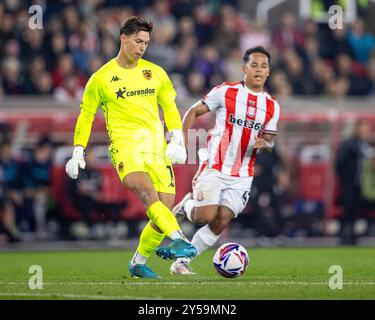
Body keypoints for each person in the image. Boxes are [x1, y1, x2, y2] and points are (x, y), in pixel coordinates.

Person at [65, 16, 197, 279]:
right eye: (138, 41)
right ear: (123, 38)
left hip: (156, 148)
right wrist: (78, 149)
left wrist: (178, 138)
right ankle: (180, 239)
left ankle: (138, 262)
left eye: (146, 43)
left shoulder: (156, 73)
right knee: (147, 192)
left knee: (163, 210)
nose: (142, 47)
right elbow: (86, 115)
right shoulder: (101, 78)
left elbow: (170, 107)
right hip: (125, 148)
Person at [170, 46, 280, 274]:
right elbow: (193, 111)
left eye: (263, 66)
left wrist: (265, 145)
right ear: (244, 69)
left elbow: (269, 143)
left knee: (221, 221)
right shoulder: (225, 91)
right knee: (204, 216)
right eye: (254, 65)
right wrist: (180, 141)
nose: (259, 69)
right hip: (215, 164)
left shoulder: (272, 106)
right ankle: (187, 205)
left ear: (268, 72)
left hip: (243, 173)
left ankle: (181, 263)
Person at [336, 120, 372, 244]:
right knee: (349, 208)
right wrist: (345, 178)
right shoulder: (350, 144)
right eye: (363, 128)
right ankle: (345, 234)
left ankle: (353, 234)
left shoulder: (364, 145)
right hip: (350, 183)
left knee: (356, 209)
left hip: (360, 183)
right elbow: (340, 163)